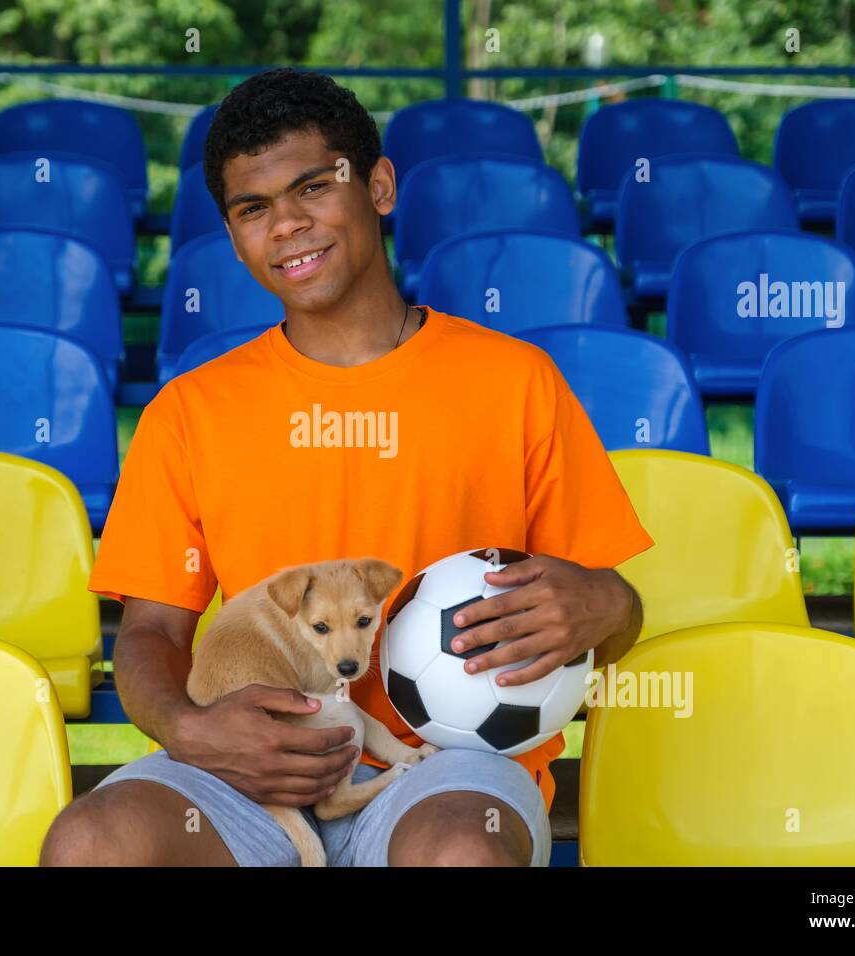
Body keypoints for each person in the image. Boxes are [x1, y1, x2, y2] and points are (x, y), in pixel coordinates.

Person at [41, 67, 652, 867]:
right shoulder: (192, 410)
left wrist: (603, 603)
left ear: (379, 186)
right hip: (250, 765)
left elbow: (614, 618)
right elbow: (151, 632)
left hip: (445, 764)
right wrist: (192, 729)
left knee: (462, 853)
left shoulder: (515, 381)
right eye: (253, 209)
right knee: (89, 843)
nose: (287, 224)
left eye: (312, 188)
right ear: (232, 235)